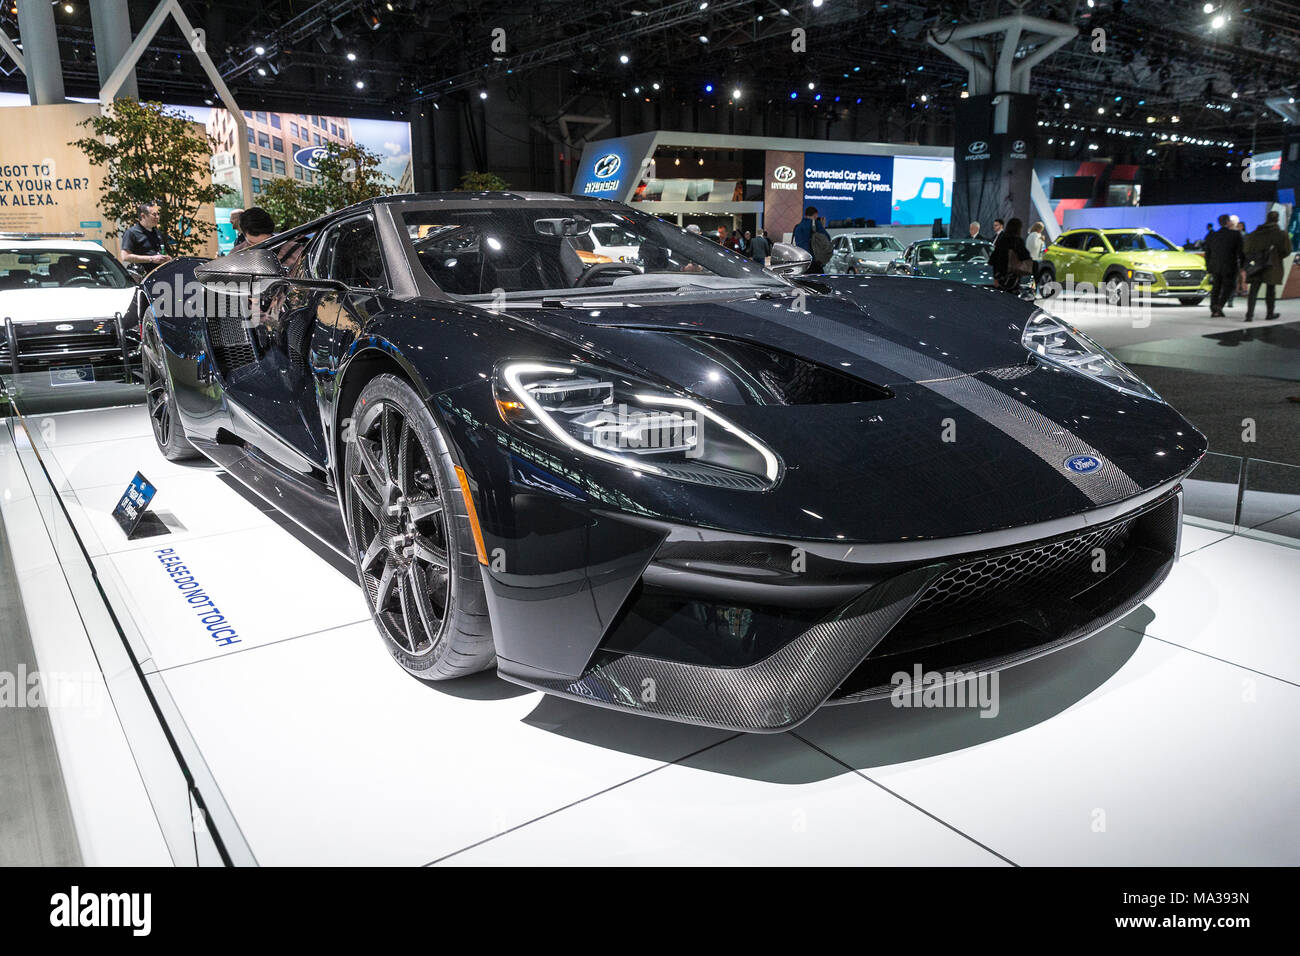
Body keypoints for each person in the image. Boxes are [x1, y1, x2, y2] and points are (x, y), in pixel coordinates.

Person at [1243, 210, 1292, 322]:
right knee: (1271, 289)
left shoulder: (1255, 233)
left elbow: (1246, 248)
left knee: (1254, 290)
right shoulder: (1281, 234)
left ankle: (1249, 315)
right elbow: (1287, 250)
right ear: (1277, 219)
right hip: (1272, 265)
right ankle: (1269, 313)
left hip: (1256, 264)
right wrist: (1277, 257)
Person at [1204, 214, 1244, 317]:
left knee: (1216, 286)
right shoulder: (1235, 235)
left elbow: (1207, 252)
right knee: (1230, 286)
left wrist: (1208, 266)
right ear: (1228, 222)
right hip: (1229, 266)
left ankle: (1213, 307)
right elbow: (1240, 252)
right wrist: (1243, 265)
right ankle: (1219, 306)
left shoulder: (1212, 235)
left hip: (1215, 265)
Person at [120, 201, 172, 273]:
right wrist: (151, 259)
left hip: (161, 275)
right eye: (154, 215)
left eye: (158, 214)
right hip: (144, 276)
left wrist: (167, 258)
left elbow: (164, 252)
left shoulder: (158, 233)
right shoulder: (131, 233)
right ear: (143, 216)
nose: (157, 217)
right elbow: (125, 256)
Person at [990, 217, 1032, 294]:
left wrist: (995, 277)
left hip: (1000, 276)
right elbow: (1025, 257)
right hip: (1013, 277)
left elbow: (993, 259)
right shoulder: (1018, 241)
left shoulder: (1002, 240)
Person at [792, 205, 831, 271]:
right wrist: (822, 227)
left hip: (802, 260)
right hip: (814, 261)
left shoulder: (798, 227)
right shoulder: (817, 225)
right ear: (815, 215)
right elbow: (827, 238)